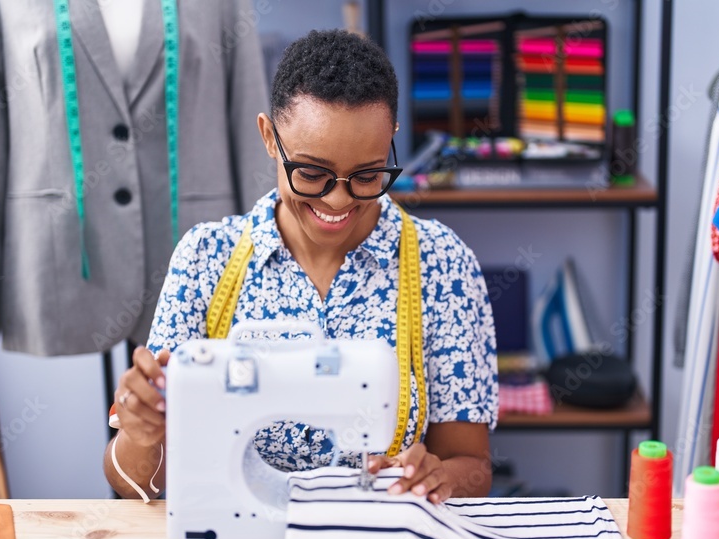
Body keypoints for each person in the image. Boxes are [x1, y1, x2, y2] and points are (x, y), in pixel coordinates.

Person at [106, 30, 498, 504]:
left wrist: (439, 477)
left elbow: (472, 467)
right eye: (311, 173)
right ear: (270, 137)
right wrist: (141, 434)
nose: (338, 199)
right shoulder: (205, 260)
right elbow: (138, 487)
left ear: (391, 139)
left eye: (368, 175)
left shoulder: (441, 264)